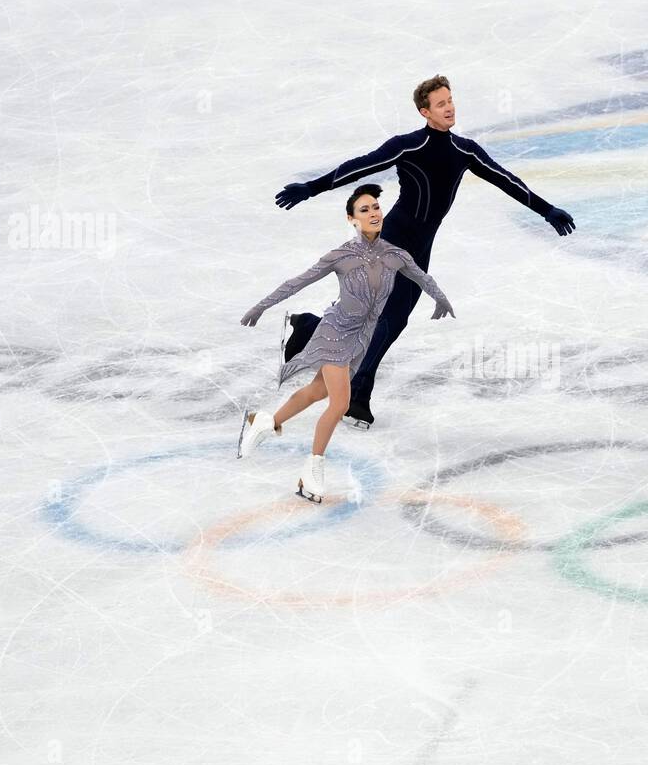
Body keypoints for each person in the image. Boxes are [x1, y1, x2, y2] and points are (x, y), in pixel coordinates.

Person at [273, 74, 574, 428]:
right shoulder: (409, 145)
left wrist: (546, 210)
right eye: (441, 104)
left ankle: (308, 328)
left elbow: (504, 178)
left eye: (451, 100)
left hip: (421, 245)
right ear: (425, 112)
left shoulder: (466, 150)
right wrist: (311, 187)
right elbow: (360, 165)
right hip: (393, 239)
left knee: (385, 318)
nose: (449, 108)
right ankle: (358, 393)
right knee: (388, 318)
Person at [237, 183, 454, 503]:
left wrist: (441, 300)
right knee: (339, 404)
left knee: (317, 391)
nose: (374, 213)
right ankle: (311, 473)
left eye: (376, 207)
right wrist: (261, 306)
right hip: (335, 332)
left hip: (359, 340)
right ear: (352, 219)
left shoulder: (394, 255)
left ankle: (264, 422)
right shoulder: (343, 255)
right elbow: (297, 281)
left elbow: (423, 277)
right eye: (364, 210)